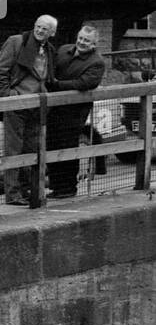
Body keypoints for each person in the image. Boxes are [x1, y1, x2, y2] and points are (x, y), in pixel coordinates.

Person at [0, 15, 57, 206]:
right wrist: (10, 95)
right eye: (37, 26)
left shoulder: (49, 50)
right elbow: (0, 72)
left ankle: (28, 190)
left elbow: (48, 77)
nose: (39, 31)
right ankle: (12, 194)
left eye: (44, 29)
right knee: (13, 149)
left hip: (37, 106)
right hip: (17, 104)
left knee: (32, 149)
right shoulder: (16, 42)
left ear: (51, 33)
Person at [47, 25, 105, 199]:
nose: (82, 42)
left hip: (74, 112)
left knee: (68, 147)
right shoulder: (64, 50)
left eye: (87, 40)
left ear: (94, 44)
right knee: (51, 145)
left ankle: (68, 188)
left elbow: (84, 83)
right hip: (53, 109)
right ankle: (56, 187)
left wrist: (56, 84)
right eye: (80, 38)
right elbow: (50, 69)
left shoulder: (96, 62)